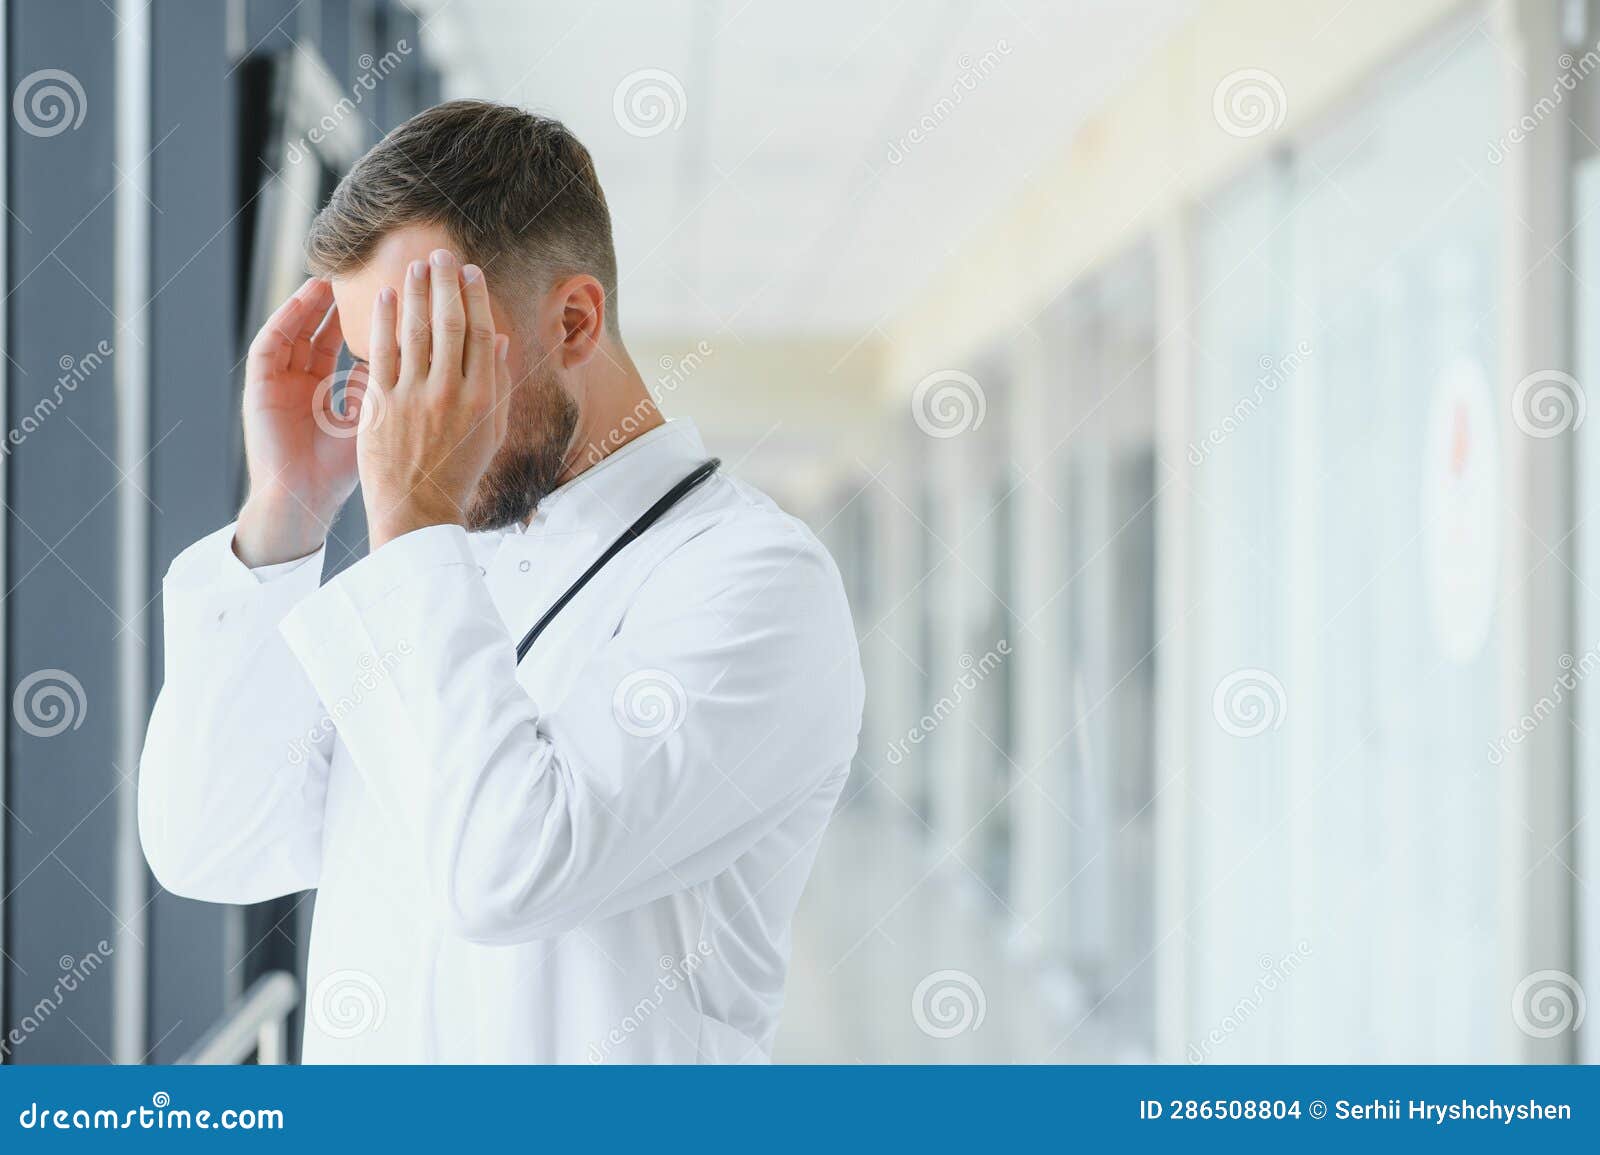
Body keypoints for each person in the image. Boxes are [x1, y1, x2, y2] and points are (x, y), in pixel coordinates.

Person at [138, 101, 864, 1063]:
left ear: (572, 322)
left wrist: (413, 526)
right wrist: (287, 505)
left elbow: (507, 874)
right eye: (376, 363)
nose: (398, 410)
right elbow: (214, 845)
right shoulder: (436, 567)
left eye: (431, 355)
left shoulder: (758, 584)